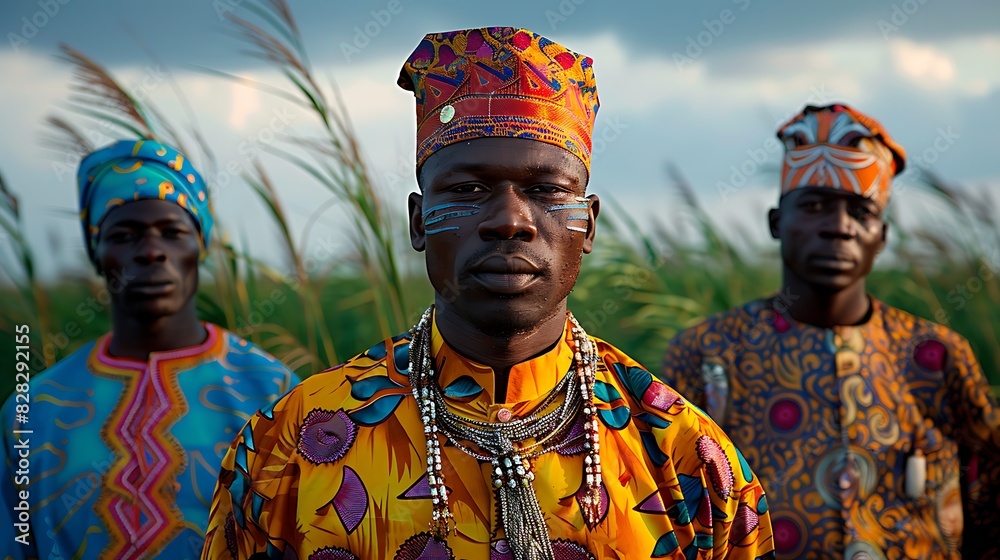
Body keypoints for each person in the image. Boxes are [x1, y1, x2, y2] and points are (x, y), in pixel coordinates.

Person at [200, 27, 774, 560]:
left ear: (589, 225)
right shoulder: (292, 445)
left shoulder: (686, 457)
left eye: (546, 190)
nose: (509, 221)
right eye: (469, 189)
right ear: (418, 222)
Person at [661, 103, 1000, 559]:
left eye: (860, 212)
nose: (839, 228)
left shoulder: (937, 358)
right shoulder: (707, 354)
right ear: (777, 222)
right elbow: (673, 511)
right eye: (814, 206)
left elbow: (990, 510)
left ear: (882, 235)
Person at [0, 140, 298, 560]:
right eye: (124, 235)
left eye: (173, 233)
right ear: (97, 254)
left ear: (200, 247)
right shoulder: (33, 413)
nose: (152, 251)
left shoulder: (276, 395)